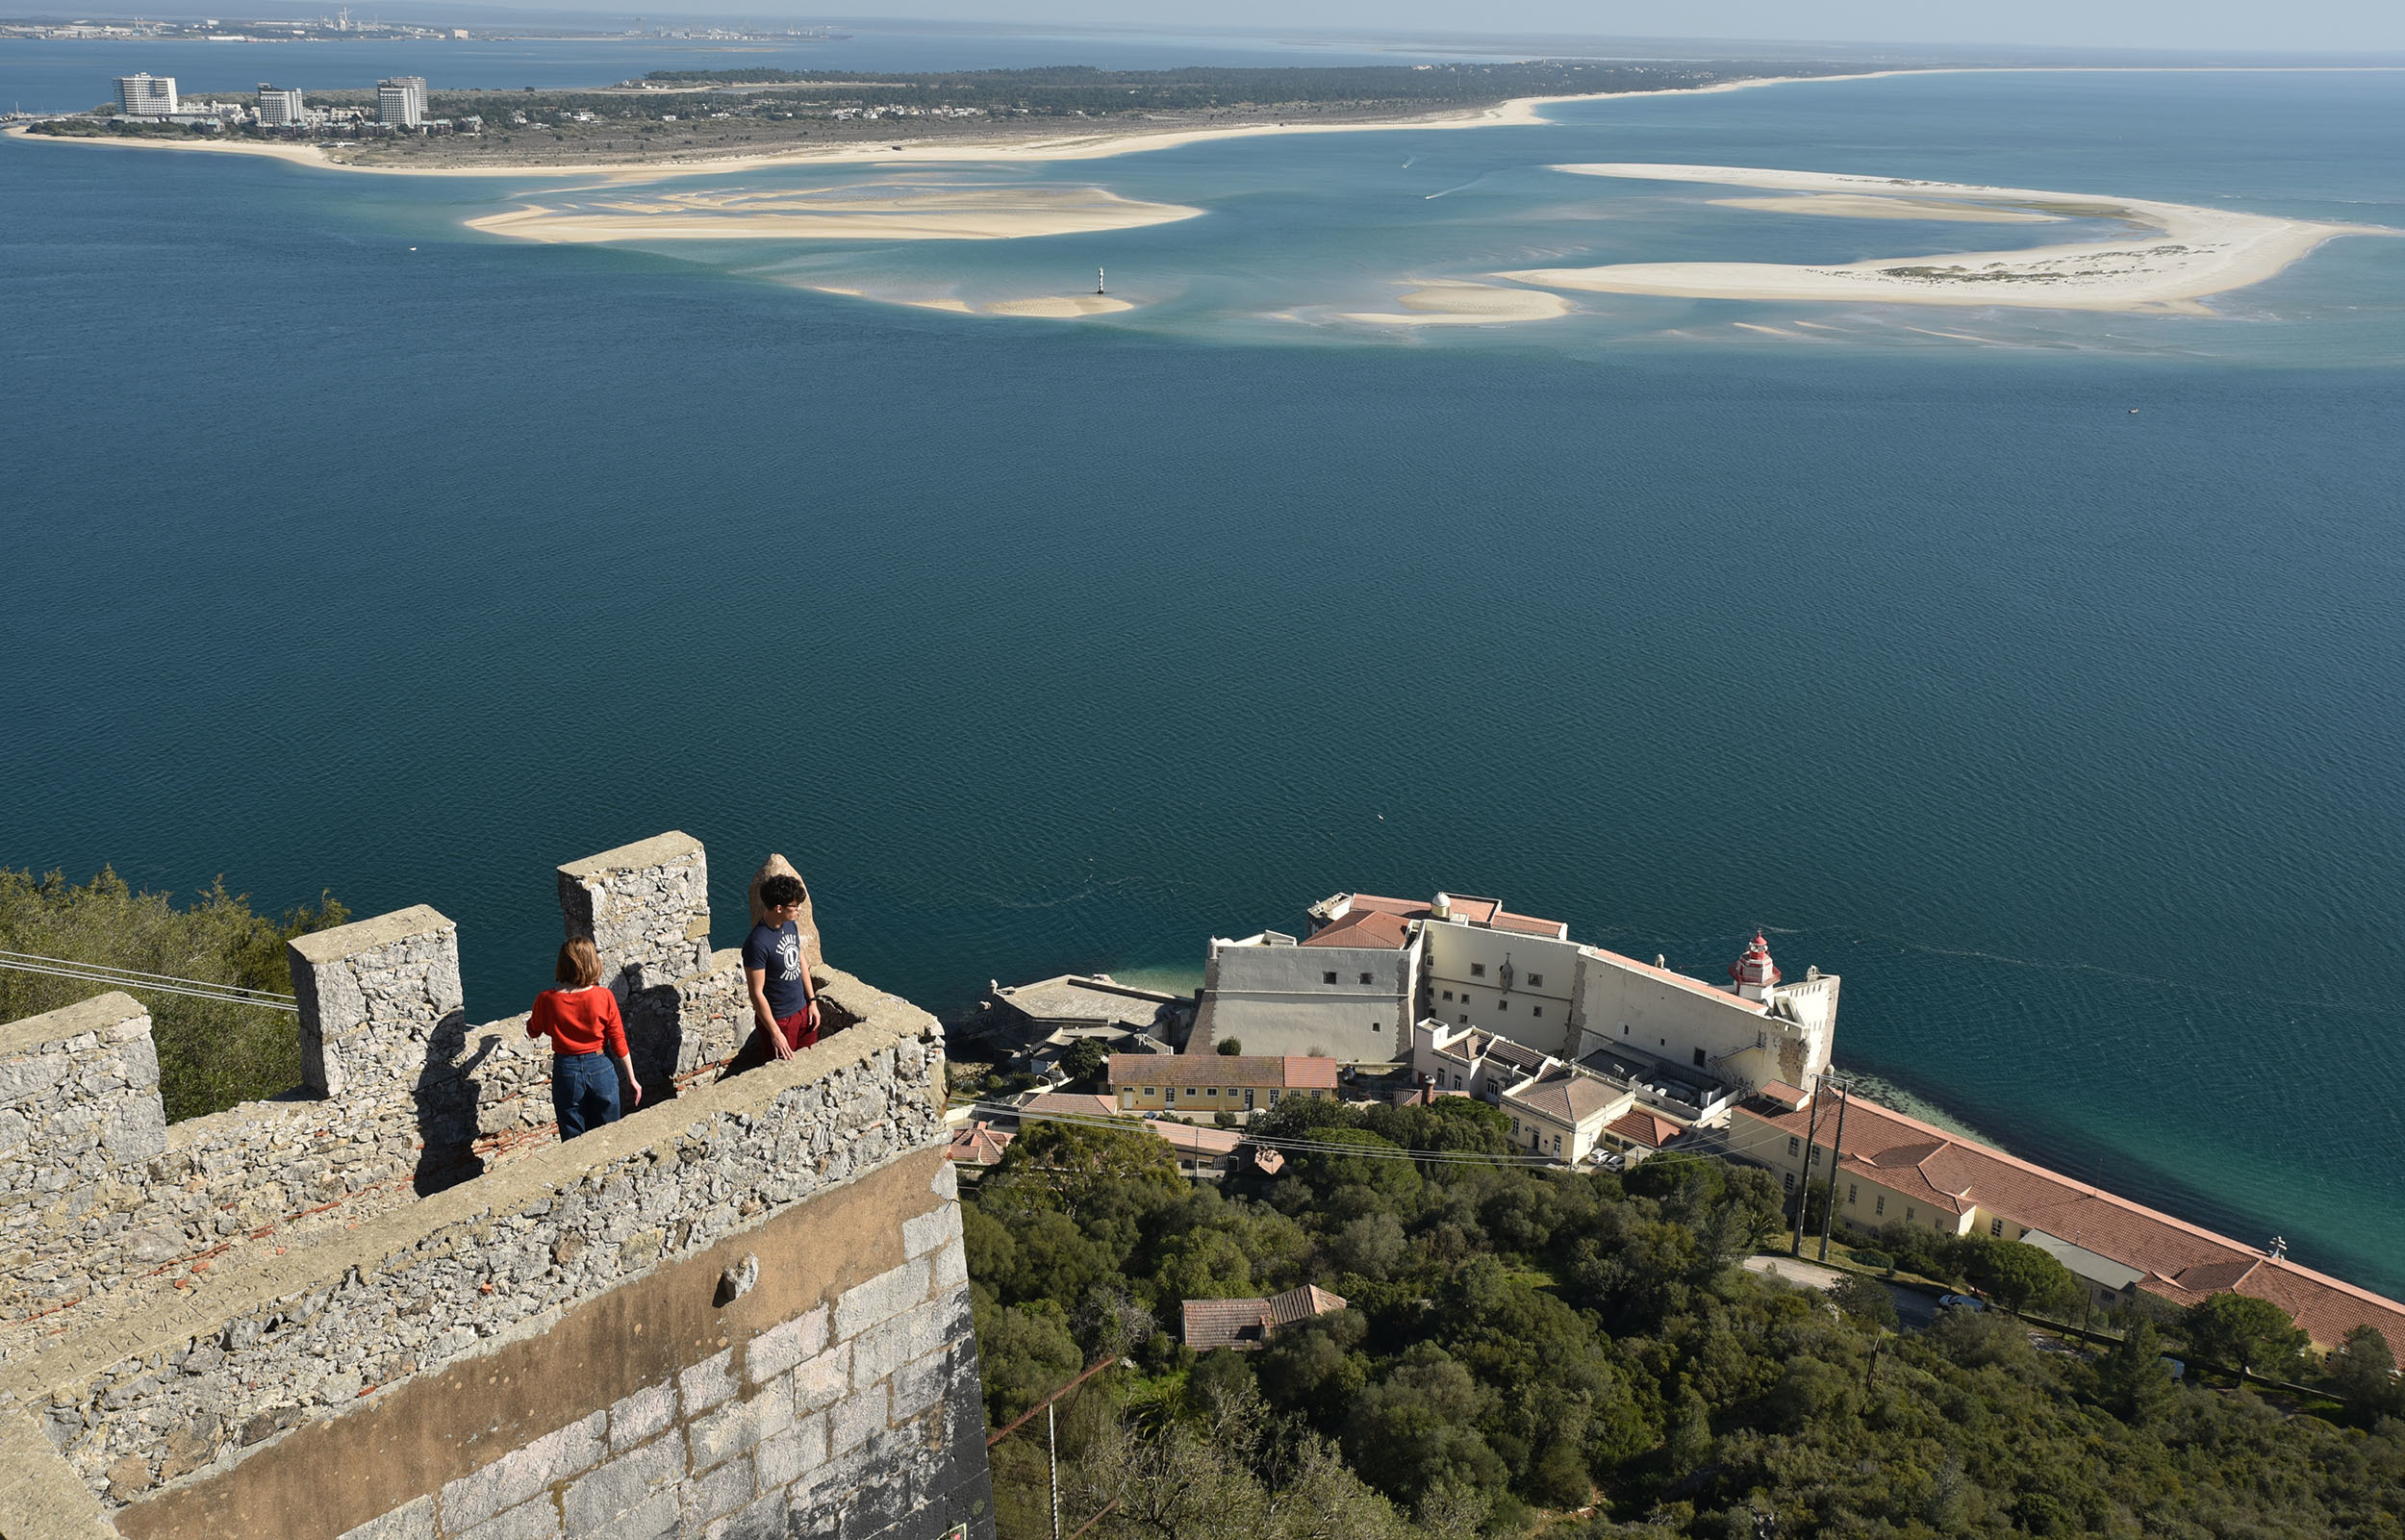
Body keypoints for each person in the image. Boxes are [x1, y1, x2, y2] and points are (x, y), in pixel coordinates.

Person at [528, 938, 643, 1138]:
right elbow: (618, 1041)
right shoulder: (604, 996)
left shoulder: (545, 999)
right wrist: (632, 1079)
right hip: (601, 1066)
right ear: (593, 963)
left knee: (573, 1136)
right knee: (609, 1133)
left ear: (562, 964)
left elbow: (533, 1031)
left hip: (566, 1069)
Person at [728, 871, 821, 1074]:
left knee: (808, 1069)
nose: (799, 910)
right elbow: (756, 992)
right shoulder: (757, 943)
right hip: (780, 1019)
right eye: (795, 906)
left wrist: (812, 1001)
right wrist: (775, 1032)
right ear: (779, 908)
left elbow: (800, 960)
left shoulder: (790, 925)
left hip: (803, 1010)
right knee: (782, 1074)